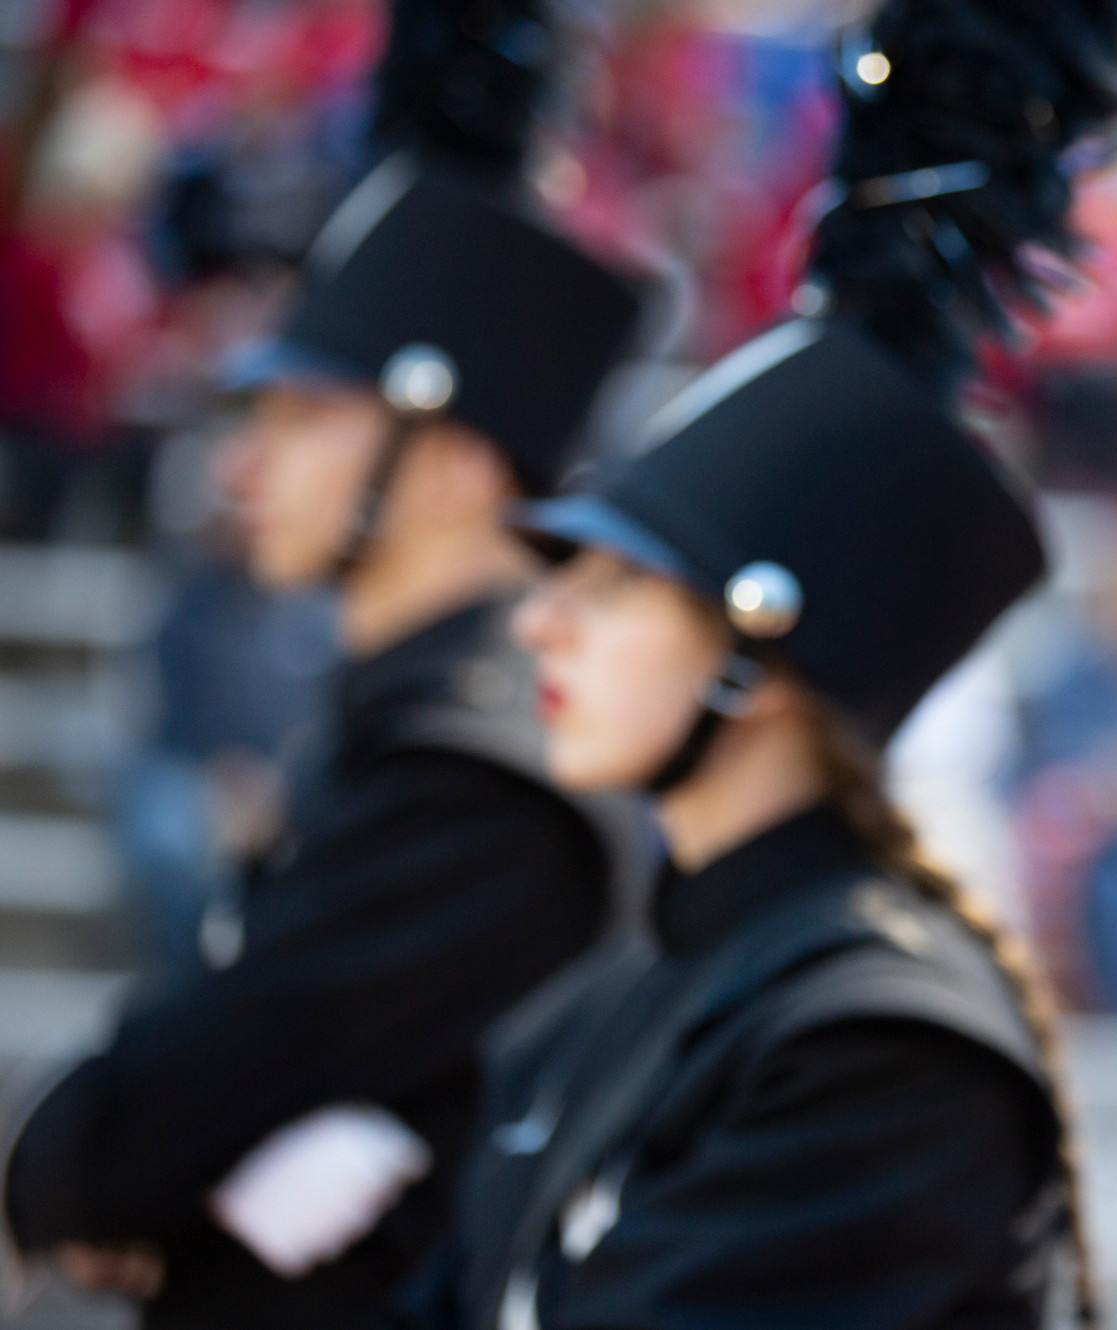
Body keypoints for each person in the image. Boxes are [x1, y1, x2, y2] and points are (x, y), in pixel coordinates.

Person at [391, 0, 1117, 1325]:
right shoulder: (630, 986)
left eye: (622, 581)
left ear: (768, 644)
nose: (540, 621)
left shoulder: (873, 1052)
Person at [0, 1, 647, 1324]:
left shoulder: (483, 775)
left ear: (457, 464)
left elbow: (178, 1098)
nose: (241, 462)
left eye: (300, 419)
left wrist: (89, 1174)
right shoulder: (413, 717)